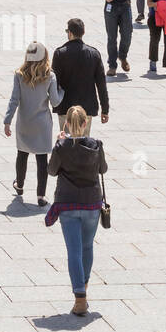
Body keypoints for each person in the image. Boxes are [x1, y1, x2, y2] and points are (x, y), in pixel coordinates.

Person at [45, 105, 108, 317]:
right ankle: (84, 287)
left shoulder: (62, 146)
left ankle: (79, 297)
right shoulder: (96, 145)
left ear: (67, 124)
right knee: (87, 246)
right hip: (91, 203)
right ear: (85, 123)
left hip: (68, 203)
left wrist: (58, 144)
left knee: (74, 250)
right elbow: (103, 169)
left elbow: (52, 170)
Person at [3, 41, 63, 206]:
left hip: (24, 122)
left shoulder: (19, 75)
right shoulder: (49, 76)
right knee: (42, 159)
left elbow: (14, 100)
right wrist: (62, 91)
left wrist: (7, 121)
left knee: (22, 154)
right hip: (42, 123)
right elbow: (56, 102)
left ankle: (20, 184)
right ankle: (40, 196)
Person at [51, 18, 109, 136]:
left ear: (70, 33)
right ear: (83, 33)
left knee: (66, 144)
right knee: (84, 146)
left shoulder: (60, 53)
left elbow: (54, 83)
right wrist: (105, 109)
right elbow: (101, 84)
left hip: (65, 108)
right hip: (86, 108)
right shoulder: (94, 54)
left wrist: (54, 103)